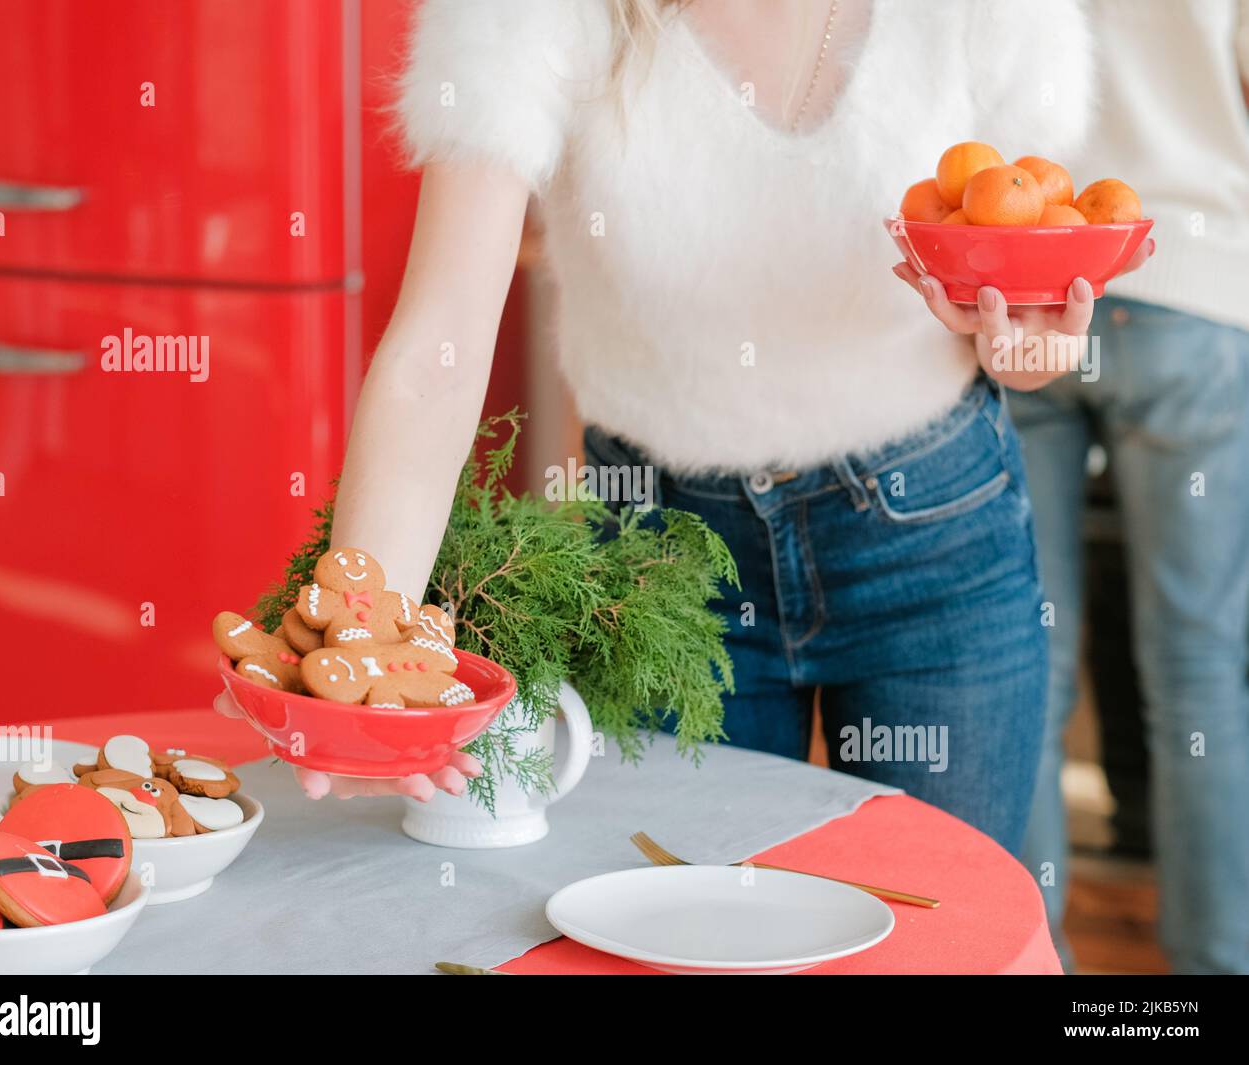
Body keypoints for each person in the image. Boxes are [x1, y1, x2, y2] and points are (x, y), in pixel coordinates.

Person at [264, 0, 1150, 847]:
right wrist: (360, 647)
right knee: (680, 931)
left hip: (932, 546)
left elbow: (1028, 281)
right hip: (665, 568)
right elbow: (437, 353)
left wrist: (1027, 347)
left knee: (941, 934)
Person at [1012, 0, 1249, 973]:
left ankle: (1031, 959)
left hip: (1029, 287)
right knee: (1200, 672)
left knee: (1030, 666)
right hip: (1196, 285)